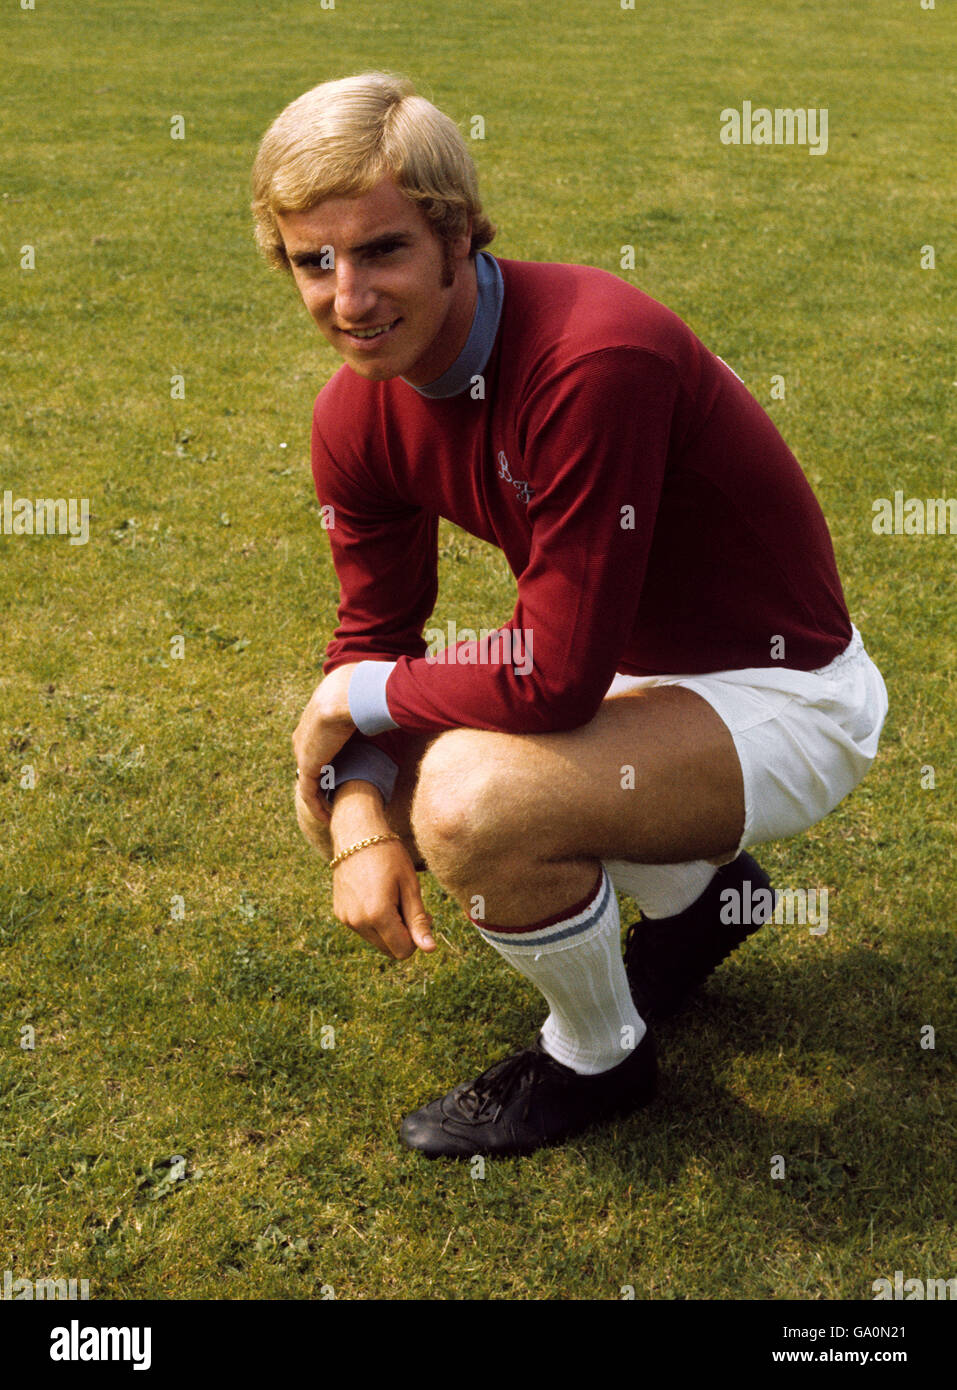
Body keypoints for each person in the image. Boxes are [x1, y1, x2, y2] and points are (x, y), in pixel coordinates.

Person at [251, 72, 888, 1159]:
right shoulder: (354, 411)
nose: (347, 298)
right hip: (637, 680)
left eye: (382, 251)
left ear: (457, 238)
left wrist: (350, 707)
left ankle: (600, 1058)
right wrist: (356, 812)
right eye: (314, 261)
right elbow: (377, 633)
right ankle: (699, 897)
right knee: (376, 777)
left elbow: (550, 676)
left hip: (788, 694)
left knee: (462, 798)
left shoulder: (594, 356)